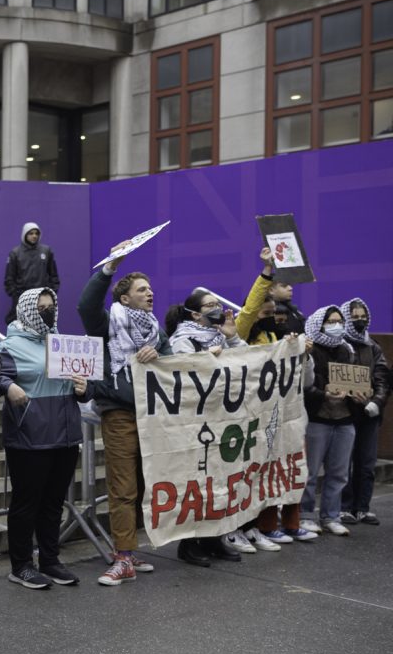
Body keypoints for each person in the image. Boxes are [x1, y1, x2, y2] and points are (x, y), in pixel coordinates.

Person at [77, 248, 171, 586]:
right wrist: (109, 269)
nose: (150, 293)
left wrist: (159, 353)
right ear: (125, 298)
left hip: (153, 416)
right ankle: (123, 558)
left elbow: (173, 366)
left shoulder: (156, 333)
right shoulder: (107, 324)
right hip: (119, 415)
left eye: (150, 289)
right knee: (123, 488)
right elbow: (85, 306)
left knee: (145, 486)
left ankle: (131, 550)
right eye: (142, 290)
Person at [0, 288, 88, 589]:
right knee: (26, 504)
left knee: (54, 503)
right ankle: (21, 565)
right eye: (41, 307)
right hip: (30, 437)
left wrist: (84, 388)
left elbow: (84, 388)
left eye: (52, 305)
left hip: (65, 436)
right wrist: (7, 386)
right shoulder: (10, 347)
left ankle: (51, 561)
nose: (48, 311)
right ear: (28, 310)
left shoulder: (63, 343)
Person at [229, 248, 315, 550]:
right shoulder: (240, 335)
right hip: (248, 417)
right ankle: (252, 526)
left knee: (280, 470)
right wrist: (266, 271)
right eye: (265, 314)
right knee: (251, 475)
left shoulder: (276, 340)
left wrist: (299, 354)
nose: (271, 318)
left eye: (274, 314)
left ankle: (279, 524)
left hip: (278, 415)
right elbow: (251, 309)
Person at [164, 287, 247, 566]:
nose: (217, 309)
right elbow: (183, 373)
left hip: (222, 417)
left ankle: (213, 538)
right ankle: (189, 544)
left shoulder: (220, 335)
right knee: (195, 483)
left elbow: (249, 362)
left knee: (219, 481)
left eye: (217, 304)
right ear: (195, 313)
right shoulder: (182, 339)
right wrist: (207, 357)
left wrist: (233, 336)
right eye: (210, 305)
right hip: (195, 421)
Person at [300, 306, 360, 538]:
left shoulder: (348, 350)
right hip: (318, 419)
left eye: (339, 321)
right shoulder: (310, 349)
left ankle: (331, 516)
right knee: (310, 472)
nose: (337, 326)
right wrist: (322, 393)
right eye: (331, 322)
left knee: (339, 472)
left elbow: (356, 379)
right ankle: (305, 515)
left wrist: (360, 395)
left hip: (345, 418)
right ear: (319, 324)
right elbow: (304, 387)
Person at [340, 297, 389, 526]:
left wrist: (376, 402)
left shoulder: (374, 346)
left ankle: (362, 508)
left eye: (363, 317)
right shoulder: (338, 345)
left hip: (369, 414)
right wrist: (350, 394)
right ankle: (344, 507)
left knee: (367, 463)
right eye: (355, 317)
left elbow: (382, 377)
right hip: (345, 412)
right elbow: (333, 377)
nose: (360, 321)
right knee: (343, 463)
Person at [4, 222, 60, 324]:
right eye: (31, 233)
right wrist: (16, 296)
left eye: (36, 233)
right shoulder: (15, 253)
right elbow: (9, 278)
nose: (34, 236)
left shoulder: (46, 251)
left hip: (42, 298)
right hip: (22, 298)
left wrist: (50, 293)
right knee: (19, 325)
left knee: (45, 325)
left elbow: (54, 275)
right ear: (25, 234)